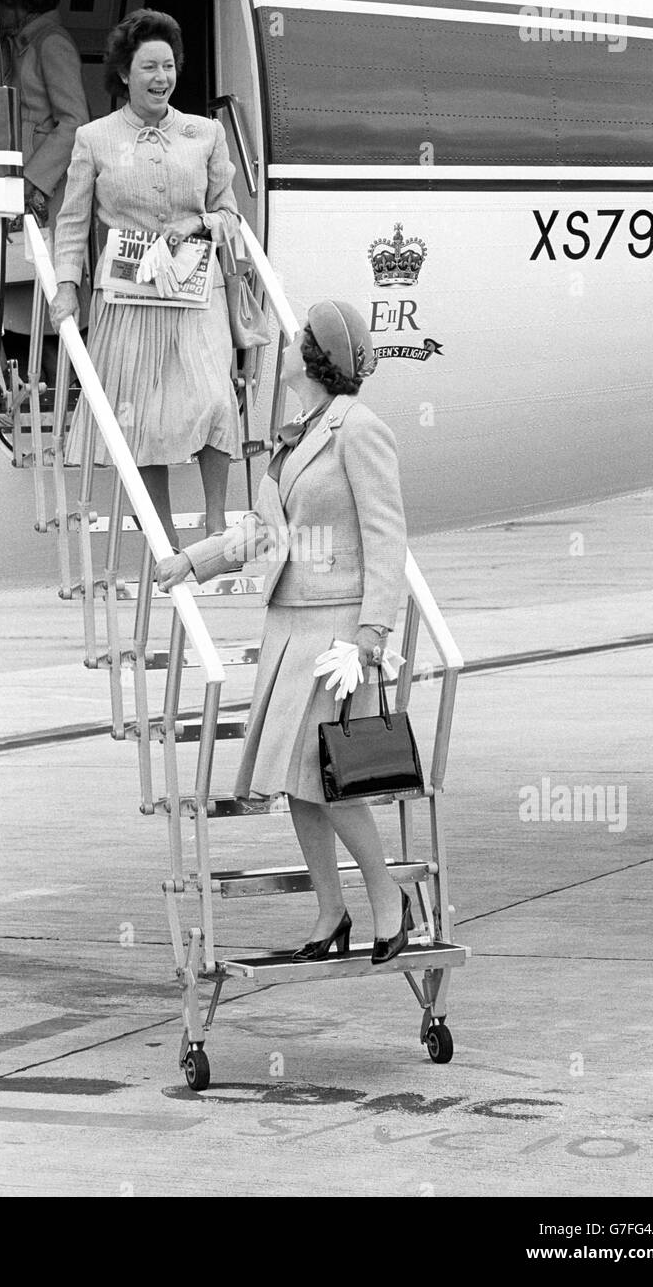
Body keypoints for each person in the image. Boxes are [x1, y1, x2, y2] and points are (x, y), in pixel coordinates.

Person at [156, 301, 414, 964]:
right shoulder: (297, 434)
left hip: (336, 632)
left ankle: (390, 900)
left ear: (317, 356)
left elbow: (387, 540)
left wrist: (373, 635)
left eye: (299, 339)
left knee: (328, 777)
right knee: (297, 783)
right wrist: (196, 562)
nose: (287, 347)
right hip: (288, 628)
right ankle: (331, 912)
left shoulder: (358, 430)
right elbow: (265, 533)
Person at [49, 9, 242, 545]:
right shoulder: (94, 138)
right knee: (143, 415)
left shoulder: (205, 133)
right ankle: (162, 535)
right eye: (149, 67)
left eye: (169, 65)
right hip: (128, 293)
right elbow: (72, 219)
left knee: (214, 398)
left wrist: (197, 222)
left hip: (194, 286)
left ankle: (216, 519)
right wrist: (67, 284)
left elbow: (230, 215)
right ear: (125, 74)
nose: (162, 77)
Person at [0, 0, 90, 376]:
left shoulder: (52, 43)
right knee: (22, 292)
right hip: (28, 186)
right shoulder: (23, 43)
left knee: (42, 289)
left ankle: (56, 383)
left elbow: (75, 122)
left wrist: (34, 181)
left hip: (45, 190)